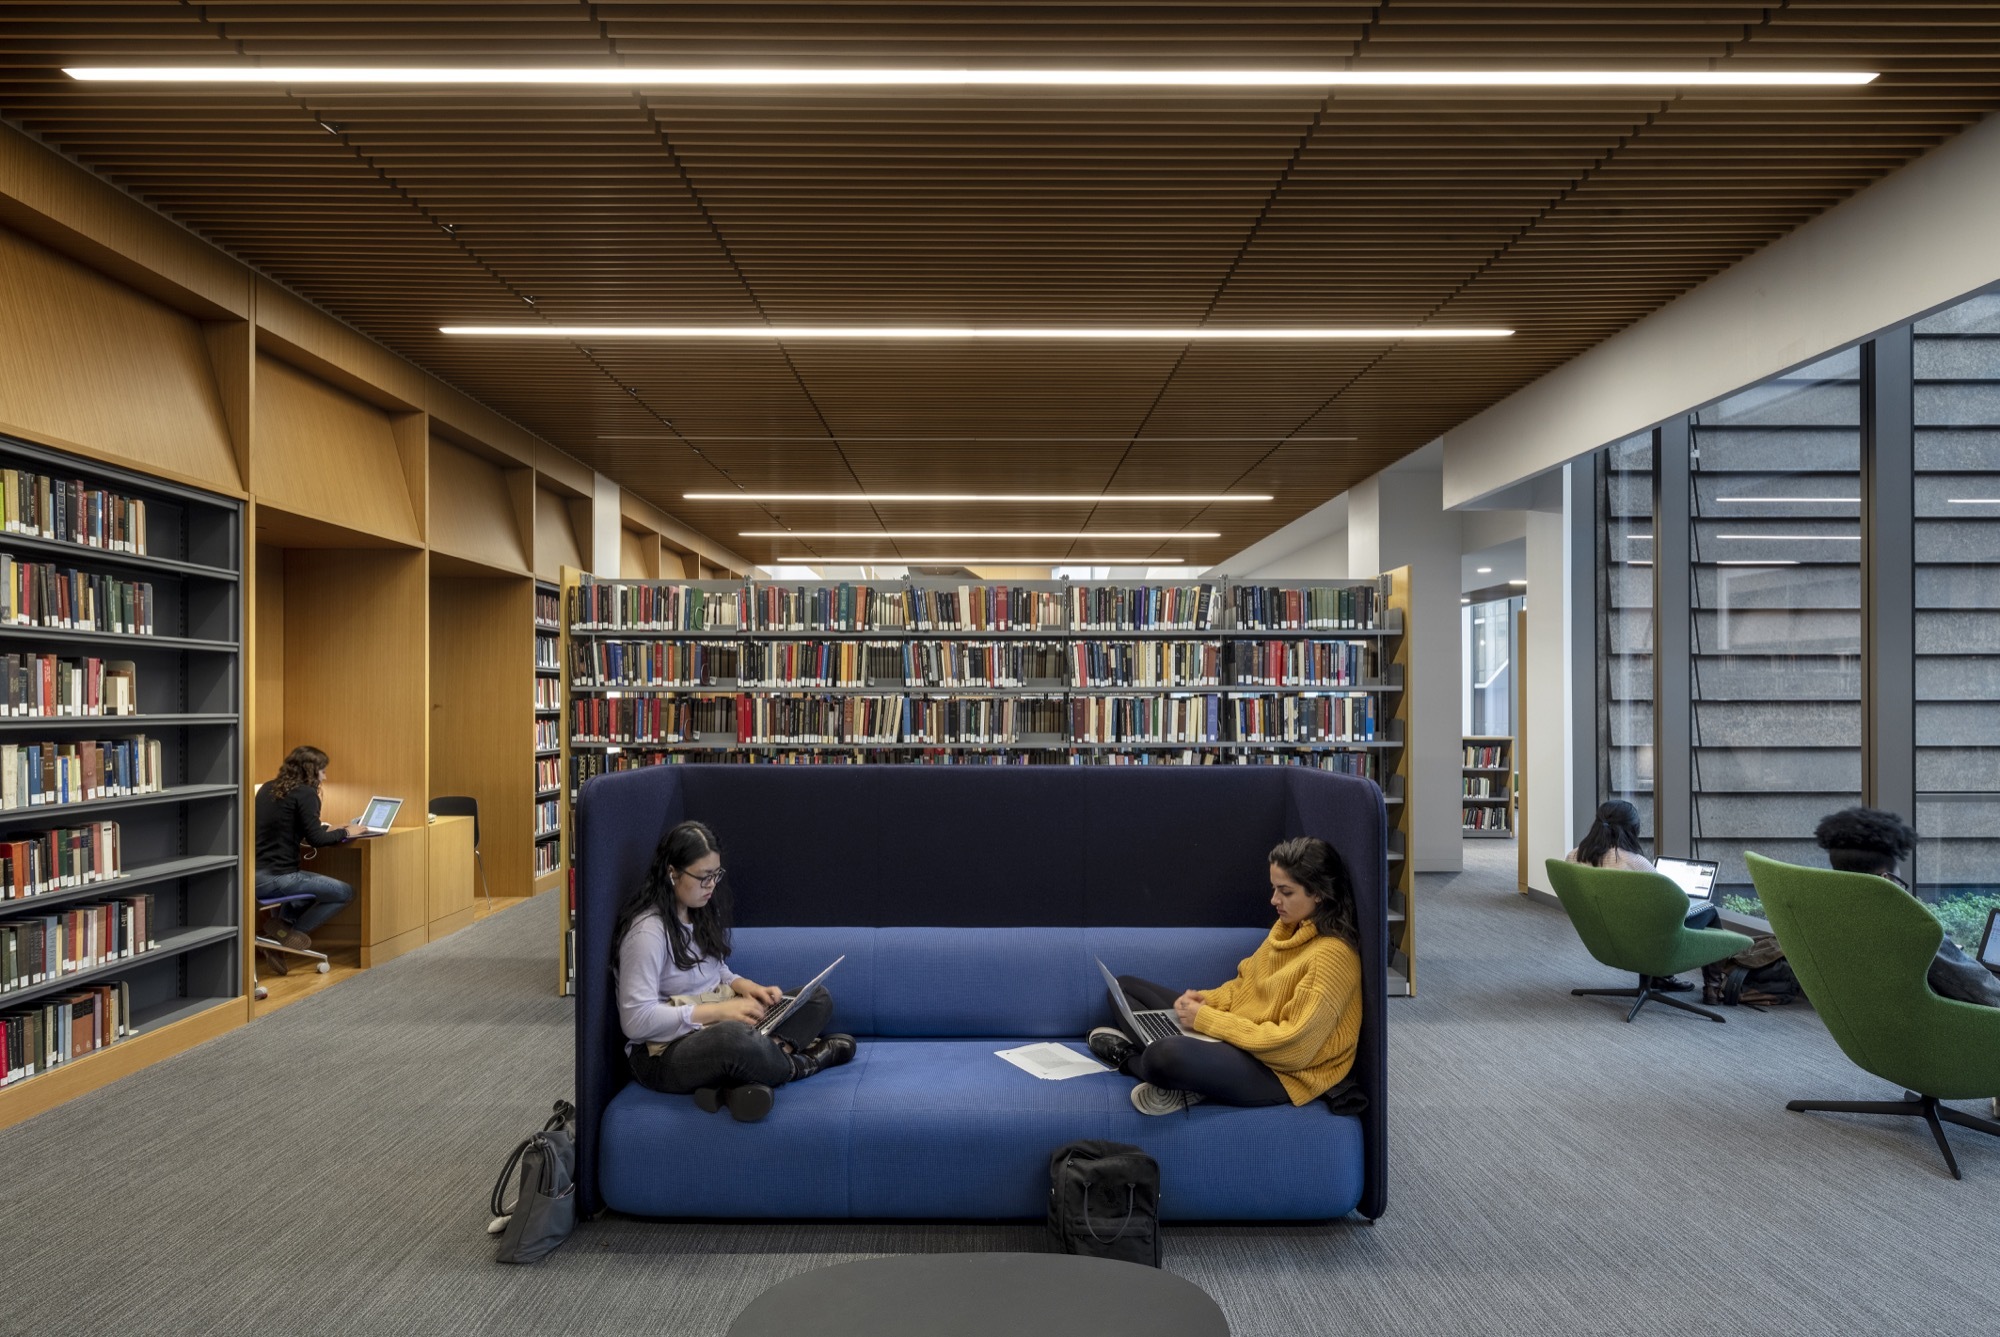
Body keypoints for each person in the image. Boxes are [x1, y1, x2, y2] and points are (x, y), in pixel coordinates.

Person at [1086, 836, 1364, 1116]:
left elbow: (1293, 1049)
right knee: (1125, 988)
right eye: (1274, 888)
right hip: (1242, 1038)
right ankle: (1193, 1081)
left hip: (1282, 1072)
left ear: (1318, 893)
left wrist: (1205, 1019)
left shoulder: (1332, 957)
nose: (1274, 900)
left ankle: (1129, 1060)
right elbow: (1245, 987)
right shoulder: (1288, 928)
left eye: (1286, 892)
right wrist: (1205, 1001)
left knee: (1163, 1056)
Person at [614, 819, 855, 1123]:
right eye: (703, 877)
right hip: (662, 1054)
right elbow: (636, 1022)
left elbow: (717, 973)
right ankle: (806, 1062)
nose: (712, 885)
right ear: (671, 872)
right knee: (733, 1039)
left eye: (716, 875)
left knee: (817, 998)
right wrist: (719, 1012)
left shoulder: (696, 911)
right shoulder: (646, 934)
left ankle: (733, 1082)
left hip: (714, 1026)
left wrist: (745, 985)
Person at [1815, 806, 2000, 1010]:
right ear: (1885, 878)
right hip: (1942, 1031)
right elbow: (1988, 994)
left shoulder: (1823, 915)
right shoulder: (1912, 930)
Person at [1565, 798, 1714, 990]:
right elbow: (1668, 904)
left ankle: (1663, 977)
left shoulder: (1574, 856)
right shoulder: (1634, 862)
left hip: (1602, 936)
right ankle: (1714, 988)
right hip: (1641, 939)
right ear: (1631, 829)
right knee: (1709, 911)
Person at [253, 745, 366, 955]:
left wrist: (330, 828)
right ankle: (291, 935)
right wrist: (347, 833)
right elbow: (316, 840)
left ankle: (280, 931)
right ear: (311, 770)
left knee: (305, 894)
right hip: (278, 878)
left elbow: (290, 826)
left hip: (251, 878)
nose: (325, 777)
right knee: (346, 892)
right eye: (322, 771)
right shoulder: (306, 793)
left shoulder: (267, 788)